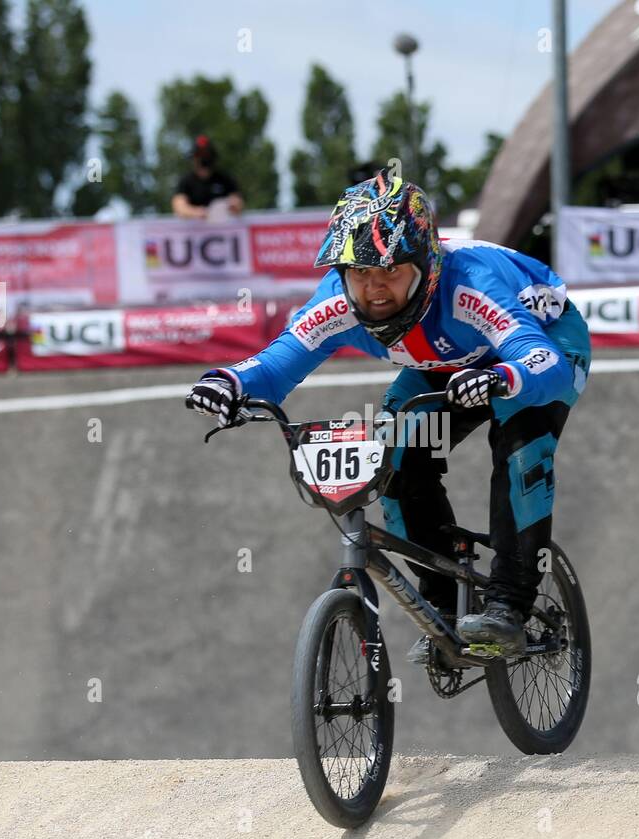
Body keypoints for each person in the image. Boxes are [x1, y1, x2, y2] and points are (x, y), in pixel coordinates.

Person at [186, 173, 590, 660]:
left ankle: (509, 602)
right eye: (359, 274)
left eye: (390, 272)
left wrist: (505, 378)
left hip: (538, 350)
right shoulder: (337, 302)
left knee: (521, 444)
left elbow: (537, 357)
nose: (374, 290)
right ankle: (442, 601)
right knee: (393, 457)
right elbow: (276, 364)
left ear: (426, 265)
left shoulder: (470, 285)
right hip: (440, 366)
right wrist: (226, 383)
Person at [171, 135, 244, 219]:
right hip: (192, 231)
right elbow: (179, 207)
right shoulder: (186, 181)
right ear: (193, 158)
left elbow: (238, 202)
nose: (203, 160)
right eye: (199, 155)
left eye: (206, 155)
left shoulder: (225, 180)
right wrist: (197, 212)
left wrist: (234, 204)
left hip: (221, 230)